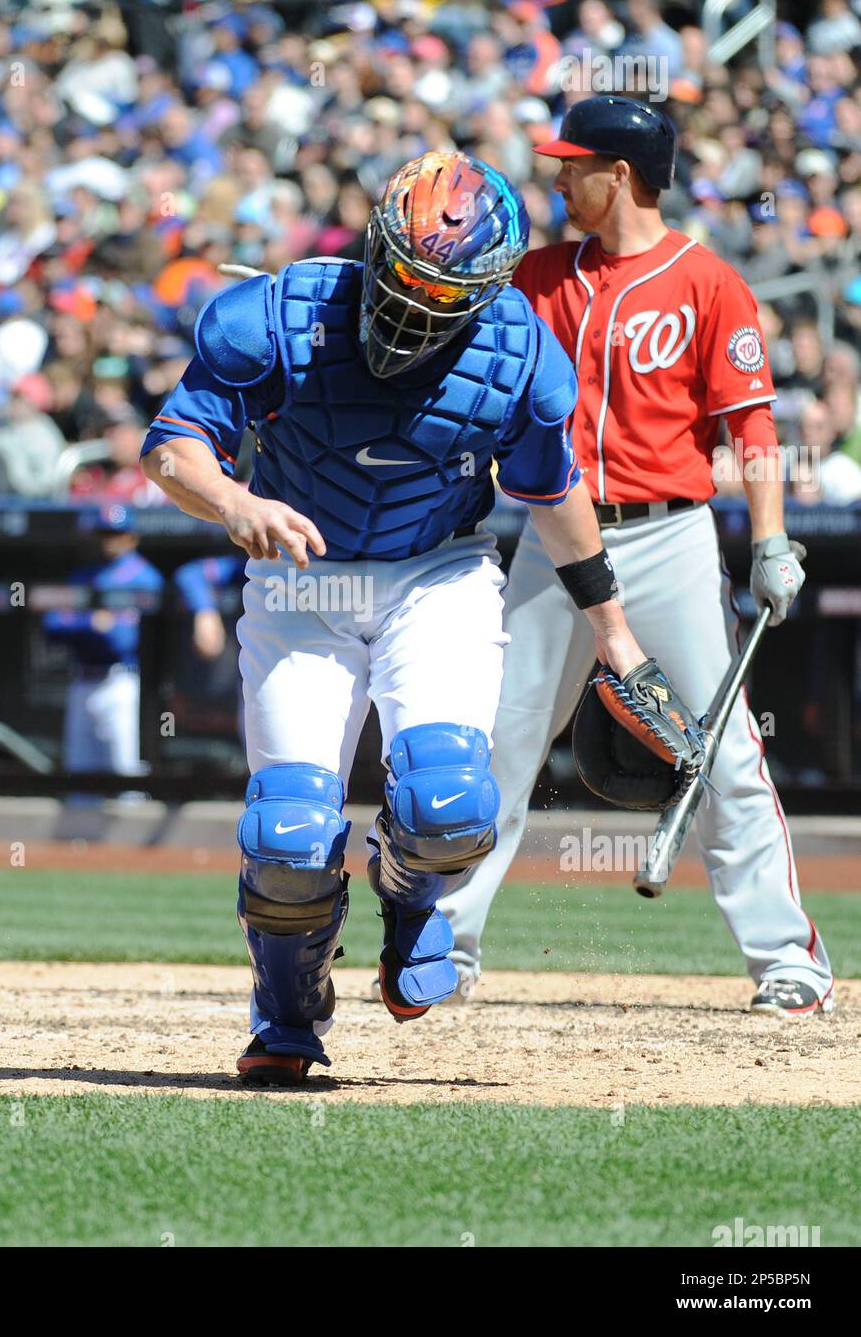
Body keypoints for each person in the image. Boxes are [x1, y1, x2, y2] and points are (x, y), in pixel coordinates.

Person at [142, 151, 687, 1085]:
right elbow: (169, 450)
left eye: (445, 292)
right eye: (404, 277)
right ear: (373, 247)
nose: (417, 308)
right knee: (285, 833)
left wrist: (613, 630)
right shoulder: (279, 318)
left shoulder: (519, 357)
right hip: (301, 578)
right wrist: (234, 503)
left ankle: (410, 908)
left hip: (437, 572)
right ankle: (286, 1014)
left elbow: (552, 498)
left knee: (449, 802)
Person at [437, 97, 834, 1019]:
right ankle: (442, 946)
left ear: (620, 174)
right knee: (499, 741)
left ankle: (787, 959)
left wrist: (768, 536)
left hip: (668, 534)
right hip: (552, 534)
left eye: (573, 164)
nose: (558, 176)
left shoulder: (707, 280)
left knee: (724, 752)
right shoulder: (535, 275)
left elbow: (751, 423)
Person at [43, 503, 164, 788]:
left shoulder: (144, 577)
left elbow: (121, 638)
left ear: (132, 537)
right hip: (82, 680)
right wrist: (90, 624)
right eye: (104, 533)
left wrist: (82, 622)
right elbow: (52, 625)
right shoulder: (83, 576)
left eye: (116, 534)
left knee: (126, 773)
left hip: (122, 682)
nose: (109, 540)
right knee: (79, 775)